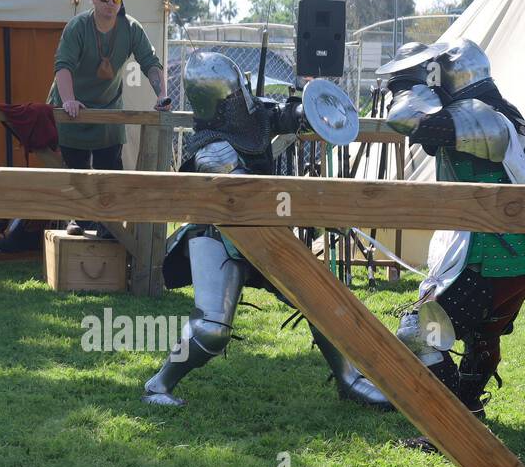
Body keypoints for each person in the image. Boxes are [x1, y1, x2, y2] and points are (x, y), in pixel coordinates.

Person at [344, 38, 525, 444]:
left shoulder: (484, 118)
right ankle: (469, 413)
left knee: (418, 332)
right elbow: (429, 130)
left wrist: (407, 82)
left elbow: (409, 121)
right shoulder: (487, 114)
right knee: (482, 335)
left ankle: (452, 431)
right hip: (511, 261)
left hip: (492, 258)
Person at [142, 51, 367, 408]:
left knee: (318, 298)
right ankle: (159, 385)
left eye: (241, 92)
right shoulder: (213, 152)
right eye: (235, 97)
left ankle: (349, 379)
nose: (243, 101)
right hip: (217, 237)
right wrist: (314, 213)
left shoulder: (251, 118)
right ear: (220, 104)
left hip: (264, 231)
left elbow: (278, 115)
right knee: (212, 330)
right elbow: (251, 198)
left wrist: (304, 111)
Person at [48, 0, 171, 239]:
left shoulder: (131, 28)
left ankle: (109, 223)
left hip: (108, 107)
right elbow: (63, 65)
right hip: (72, 106)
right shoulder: (77, 27)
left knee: (110, 168)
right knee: (77, 168)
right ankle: (77, 218)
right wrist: (68, 100)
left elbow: (150, 62)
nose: (110, 3)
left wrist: (162, 95)